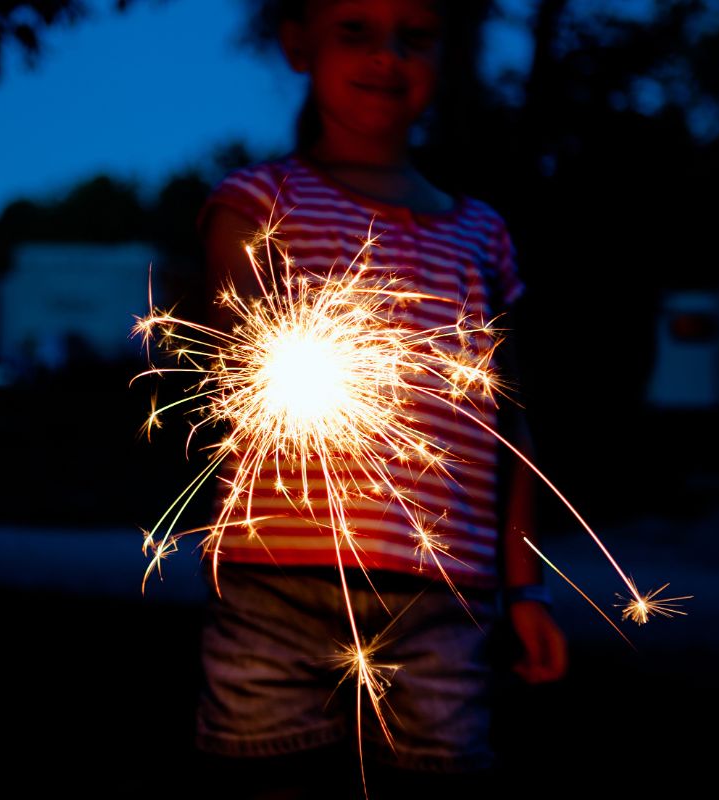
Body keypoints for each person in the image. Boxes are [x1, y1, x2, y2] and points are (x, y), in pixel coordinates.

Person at [192, 1, 568, 796]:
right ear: (299, 43)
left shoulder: (482, 234)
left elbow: (509, 421)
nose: (387, 57)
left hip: (446, 602)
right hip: (274, 583)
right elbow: (236, 347)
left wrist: (525, 586)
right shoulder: (259, 204)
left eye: (416, 37)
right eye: (355, 30)